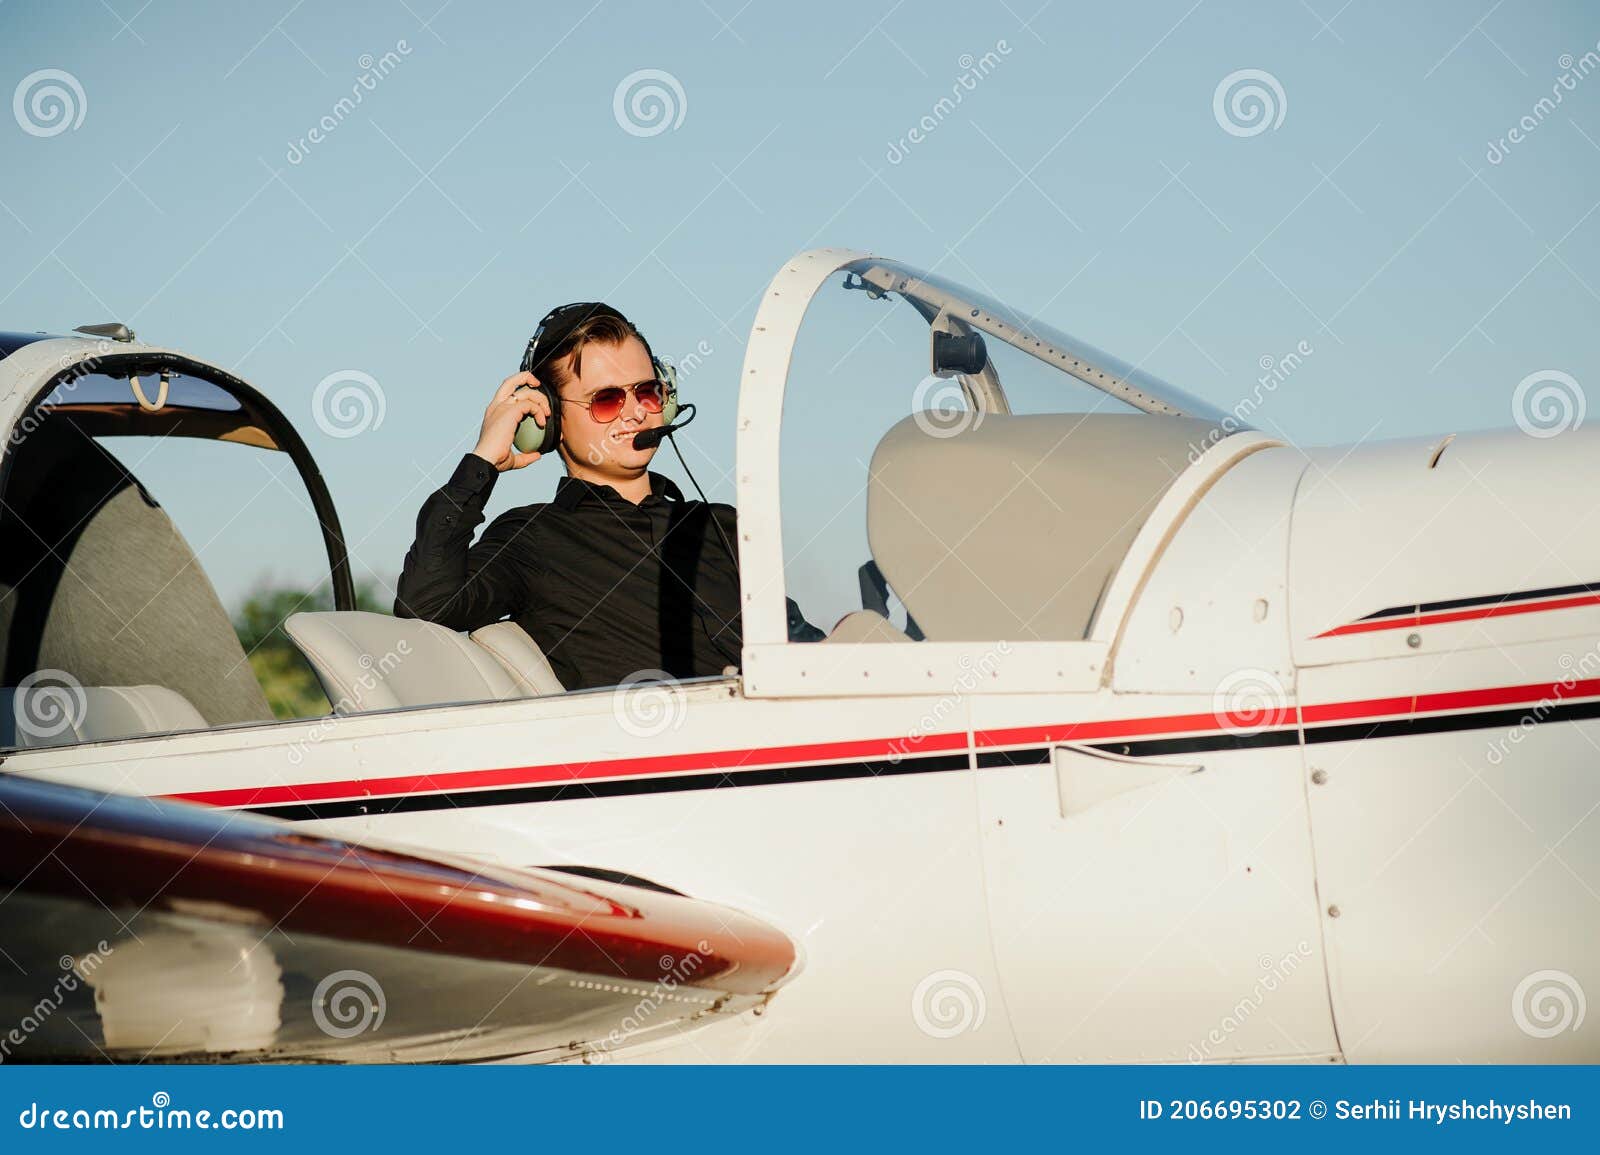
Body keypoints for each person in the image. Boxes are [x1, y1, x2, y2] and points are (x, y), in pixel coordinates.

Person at [394, 302, 821, 691]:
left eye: (647, 391)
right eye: (607, 400)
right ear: (549, 418)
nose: (636, 412)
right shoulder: (532, 537)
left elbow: (801, 643)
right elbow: (426, 604)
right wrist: (482, 461)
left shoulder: (723, 526)